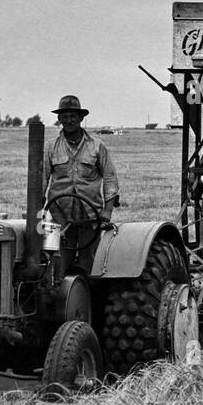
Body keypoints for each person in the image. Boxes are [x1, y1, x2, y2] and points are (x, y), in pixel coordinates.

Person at [43, 95, 119, 274]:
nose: (69, 120)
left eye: (73, 116)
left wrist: (107, 211)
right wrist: (39, 213)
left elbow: (110, 178)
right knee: (58, 263)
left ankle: (87, 295)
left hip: (89, 215)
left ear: (81, 118)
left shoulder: (97, 146)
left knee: (90, 264)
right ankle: (60, 294)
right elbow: (42, 180)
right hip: (59, 215)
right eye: (65, 117)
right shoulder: (50, 147)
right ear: (59, 119)